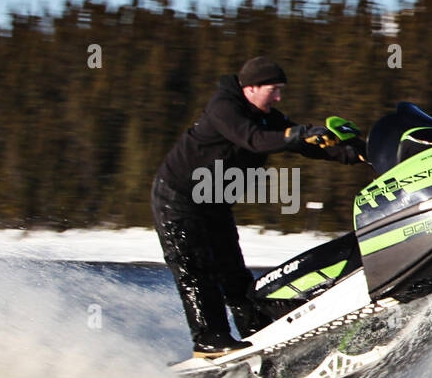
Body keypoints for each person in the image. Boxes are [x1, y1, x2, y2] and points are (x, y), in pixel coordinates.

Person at [152, 56, 363, 357]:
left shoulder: (266, 116)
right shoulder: (224, 109)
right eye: (273, 90)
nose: (278, 97)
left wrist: (354, 153)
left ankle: (258, 334)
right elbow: (254, 140)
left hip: (213, 201)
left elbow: (303, 144)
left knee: (234, 275)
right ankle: (209, 341)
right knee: (196, 271)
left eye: (281, 91)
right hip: (178, 200)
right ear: (250, 88)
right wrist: (299, 133)